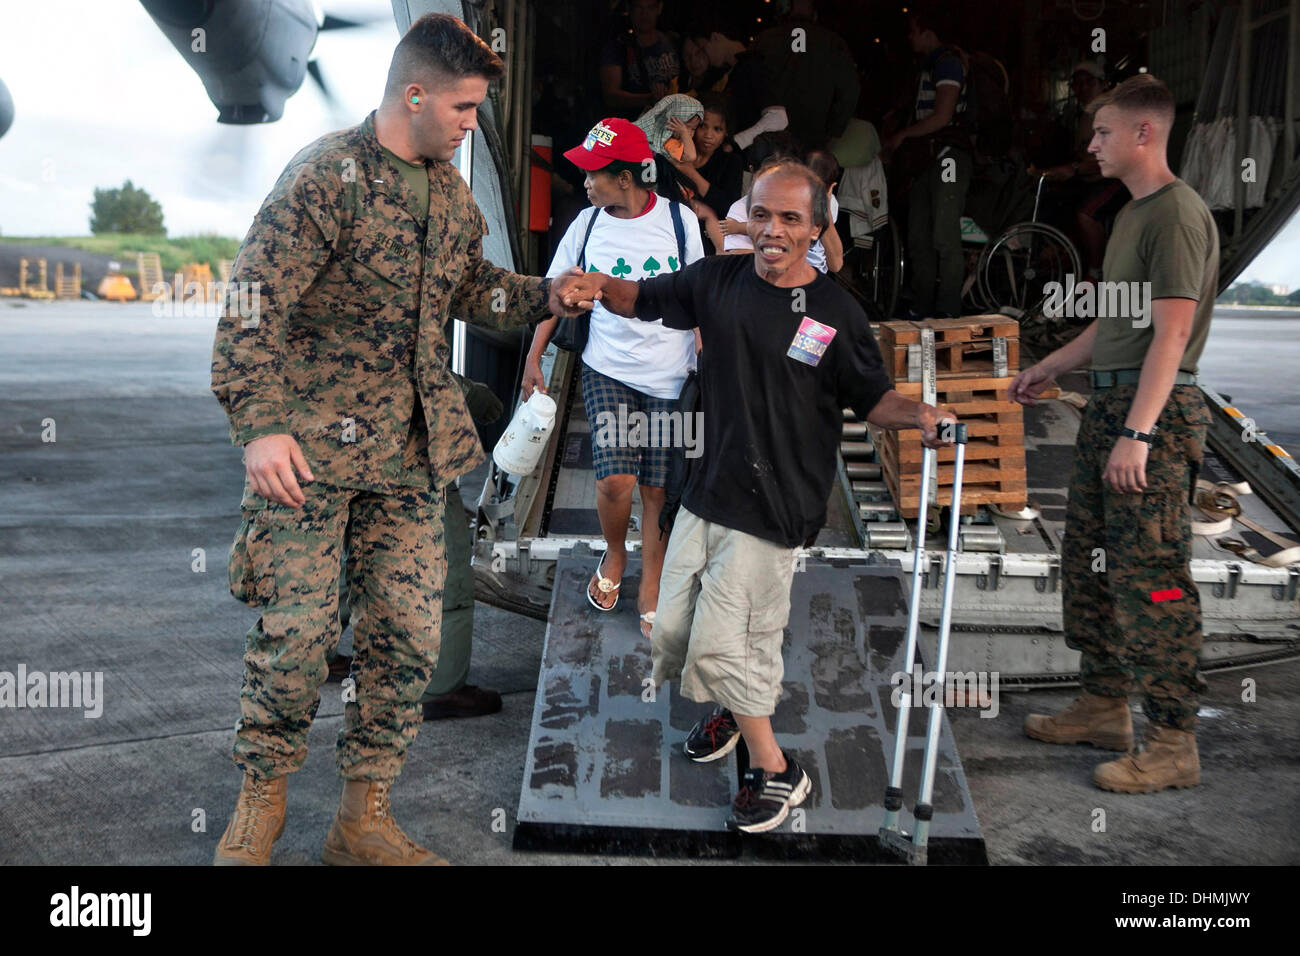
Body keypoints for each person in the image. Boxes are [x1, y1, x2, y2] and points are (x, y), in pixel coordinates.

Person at [209, 13, 591, 866]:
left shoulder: (449, 194)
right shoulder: (326, 177)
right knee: (298, 639)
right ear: (413, 94)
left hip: (410, 460)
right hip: (307, 459)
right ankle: (258, 813)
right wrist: (260, 426)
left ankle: (362, 820)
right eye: (461, 107)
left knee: (407, 643)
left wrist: (549, 294)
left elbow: (473, 291)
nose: (469, 124)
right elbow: (250, 304)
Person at [556, 159, 957, 832]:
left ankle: (777, 771)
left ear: (817, 230)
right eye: (762, 215)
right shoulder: (717, 281)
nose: (772, 231)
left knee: (731, 643)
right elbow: (643, 298)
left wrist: (917, 414)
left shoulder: (836, 313)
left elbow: (872, 398)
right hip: (708, 489)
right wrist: (595, 285)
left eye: (791, 219)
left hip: (776, 505)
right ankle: (731, 712)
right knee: (675, 632)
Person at [1010, 75, 1218, 794]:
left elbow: (1173, 332)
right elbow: (1117, 326)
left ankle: (1172, 740)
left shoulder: (1176, 216)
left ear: (1143, 134)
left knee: (1153, 579)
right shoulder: (1131, 215)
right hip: (1112, 409)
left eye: (1102, 132)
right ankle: (1104, 705)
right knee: (1091, 564)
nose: (1091, 144)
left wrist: (1139, 432)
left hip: (1149, 416)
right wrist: (1050, 363)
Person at [522, 118, 704, 640]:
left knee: (656, 487)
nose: (583, 182)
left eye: (591, 173)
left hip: (671, 376)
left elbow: (699, 293)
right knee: (614, 479)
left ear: (626, 178)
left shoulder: (678, 220)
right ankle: (616, 551)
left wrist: (708, 352)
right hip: (609, 368)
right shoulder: (585, 225)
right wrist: (535, 358)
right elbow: (555, 294)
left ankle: (651, 580)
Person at [327, 374, 505, 722]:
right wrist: (478, 397)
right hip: (404, 461)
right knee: (449, 570)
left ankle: (309, 654)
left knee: (351, 557)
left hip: (336, 449)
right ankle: (441, 688)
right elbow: (417, 370)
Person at [882, 4, 971, 318]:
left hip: (947, 157)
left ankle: (947, 312)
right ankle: (922, 309)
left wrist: (904, 135)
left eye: (913, 31)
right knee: (919, 236)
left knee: (944, 236)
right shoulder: (927, 66)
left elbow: (943, 116)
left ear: (928, 33)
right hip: (926, 160)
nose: (909, 38)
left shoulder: (947, 64)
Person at [1033, 62, 1131, 280]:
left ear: (1102, 84)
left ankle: (1096, 272)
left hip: (1117, 179)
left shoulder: (1112, 113)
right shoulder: (1084, 116)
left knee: (1086, 213)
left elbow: (1110, 159)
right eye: (1077, 84)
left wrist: (1074, 168)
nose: (1083, 88)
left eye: (1089, 82)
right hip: (1090, 180)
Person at [751, 0, 859, 151]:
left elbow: (747, 86)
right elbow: (849, 92)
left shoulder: (765, 40)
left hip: (768, 137)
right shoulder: (833, 43)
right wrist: (833, 132)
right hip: (812, 140)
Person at [667, 94, 745, 253]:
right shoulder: (675, 152)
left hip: (708, 239)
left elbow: (728, 208)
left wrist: (691, 173)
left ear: (726, 133)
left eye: (717, 129)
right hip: (672, 229)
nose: (709, 135)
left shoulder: (730, 162)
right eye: (703, 126)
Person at [599, 0, 680, 120]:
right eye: (639, 8)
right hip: (635, 124)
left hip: (675, 122)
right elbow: (611, 96)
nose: (644, 14)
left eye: (650, 7)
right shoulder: (618, 47)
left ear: (659, 8)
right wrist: (649, 98)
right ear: (629, 9)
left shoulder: (673, 42)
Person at [635, 94, 705, 207]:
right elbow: (691, 156)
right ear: (670, 122)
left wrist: (683, 132)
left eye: (694, 129)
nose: (690, 133)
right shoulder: (666, 143)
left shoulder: (669, 142)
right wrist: (684, 133)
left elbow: (690, 157)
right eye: (687, 127)